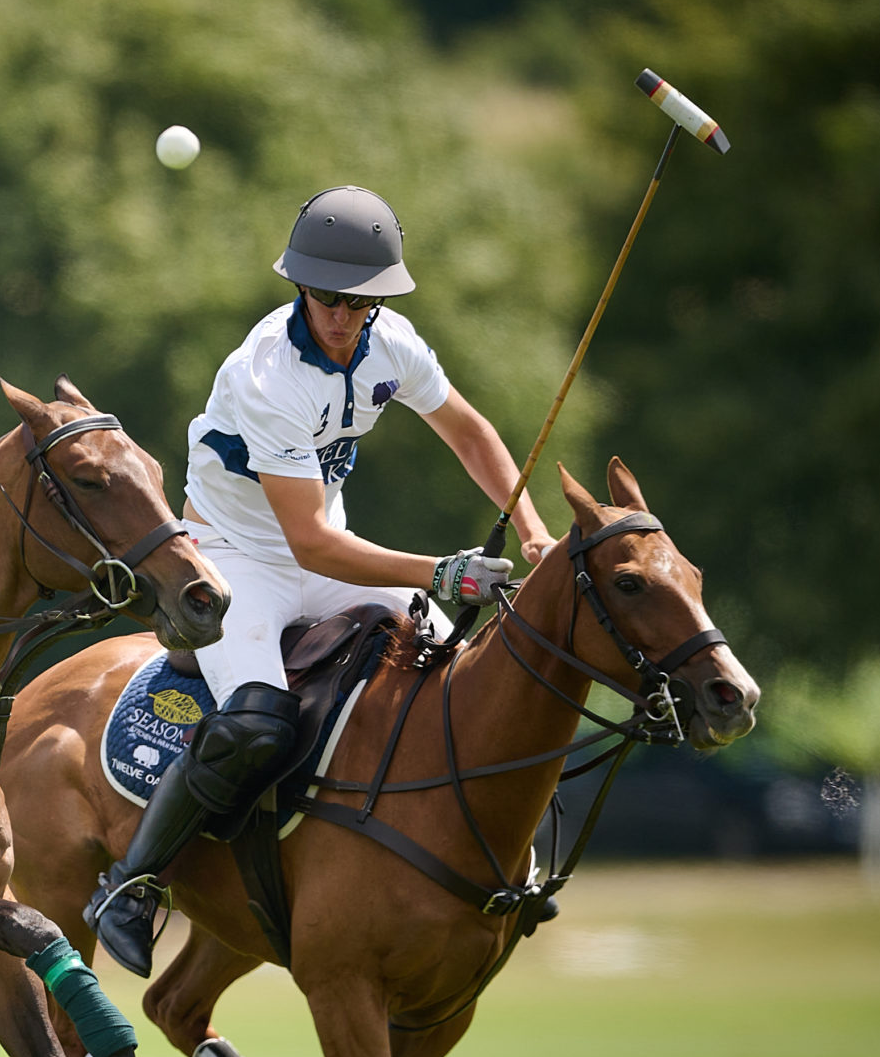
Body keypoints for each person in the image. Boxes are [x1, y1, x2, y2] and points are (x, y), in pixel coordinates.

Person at [85, 185, 558, 972]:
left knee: (458, 676)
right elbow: (308, 547)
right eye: (322, 296)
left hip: (325, 547)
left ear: (377, 303)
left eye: (355, 301)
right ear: (299, 287)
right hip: (235, 557)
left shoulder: (392, 344)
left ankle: (497, 864)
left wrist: (535, 526)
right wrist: (440, 571)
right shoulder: (265, 375)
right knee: (258, 723)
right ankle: (130, 883)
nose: (336, 315)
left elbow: (468, 430)